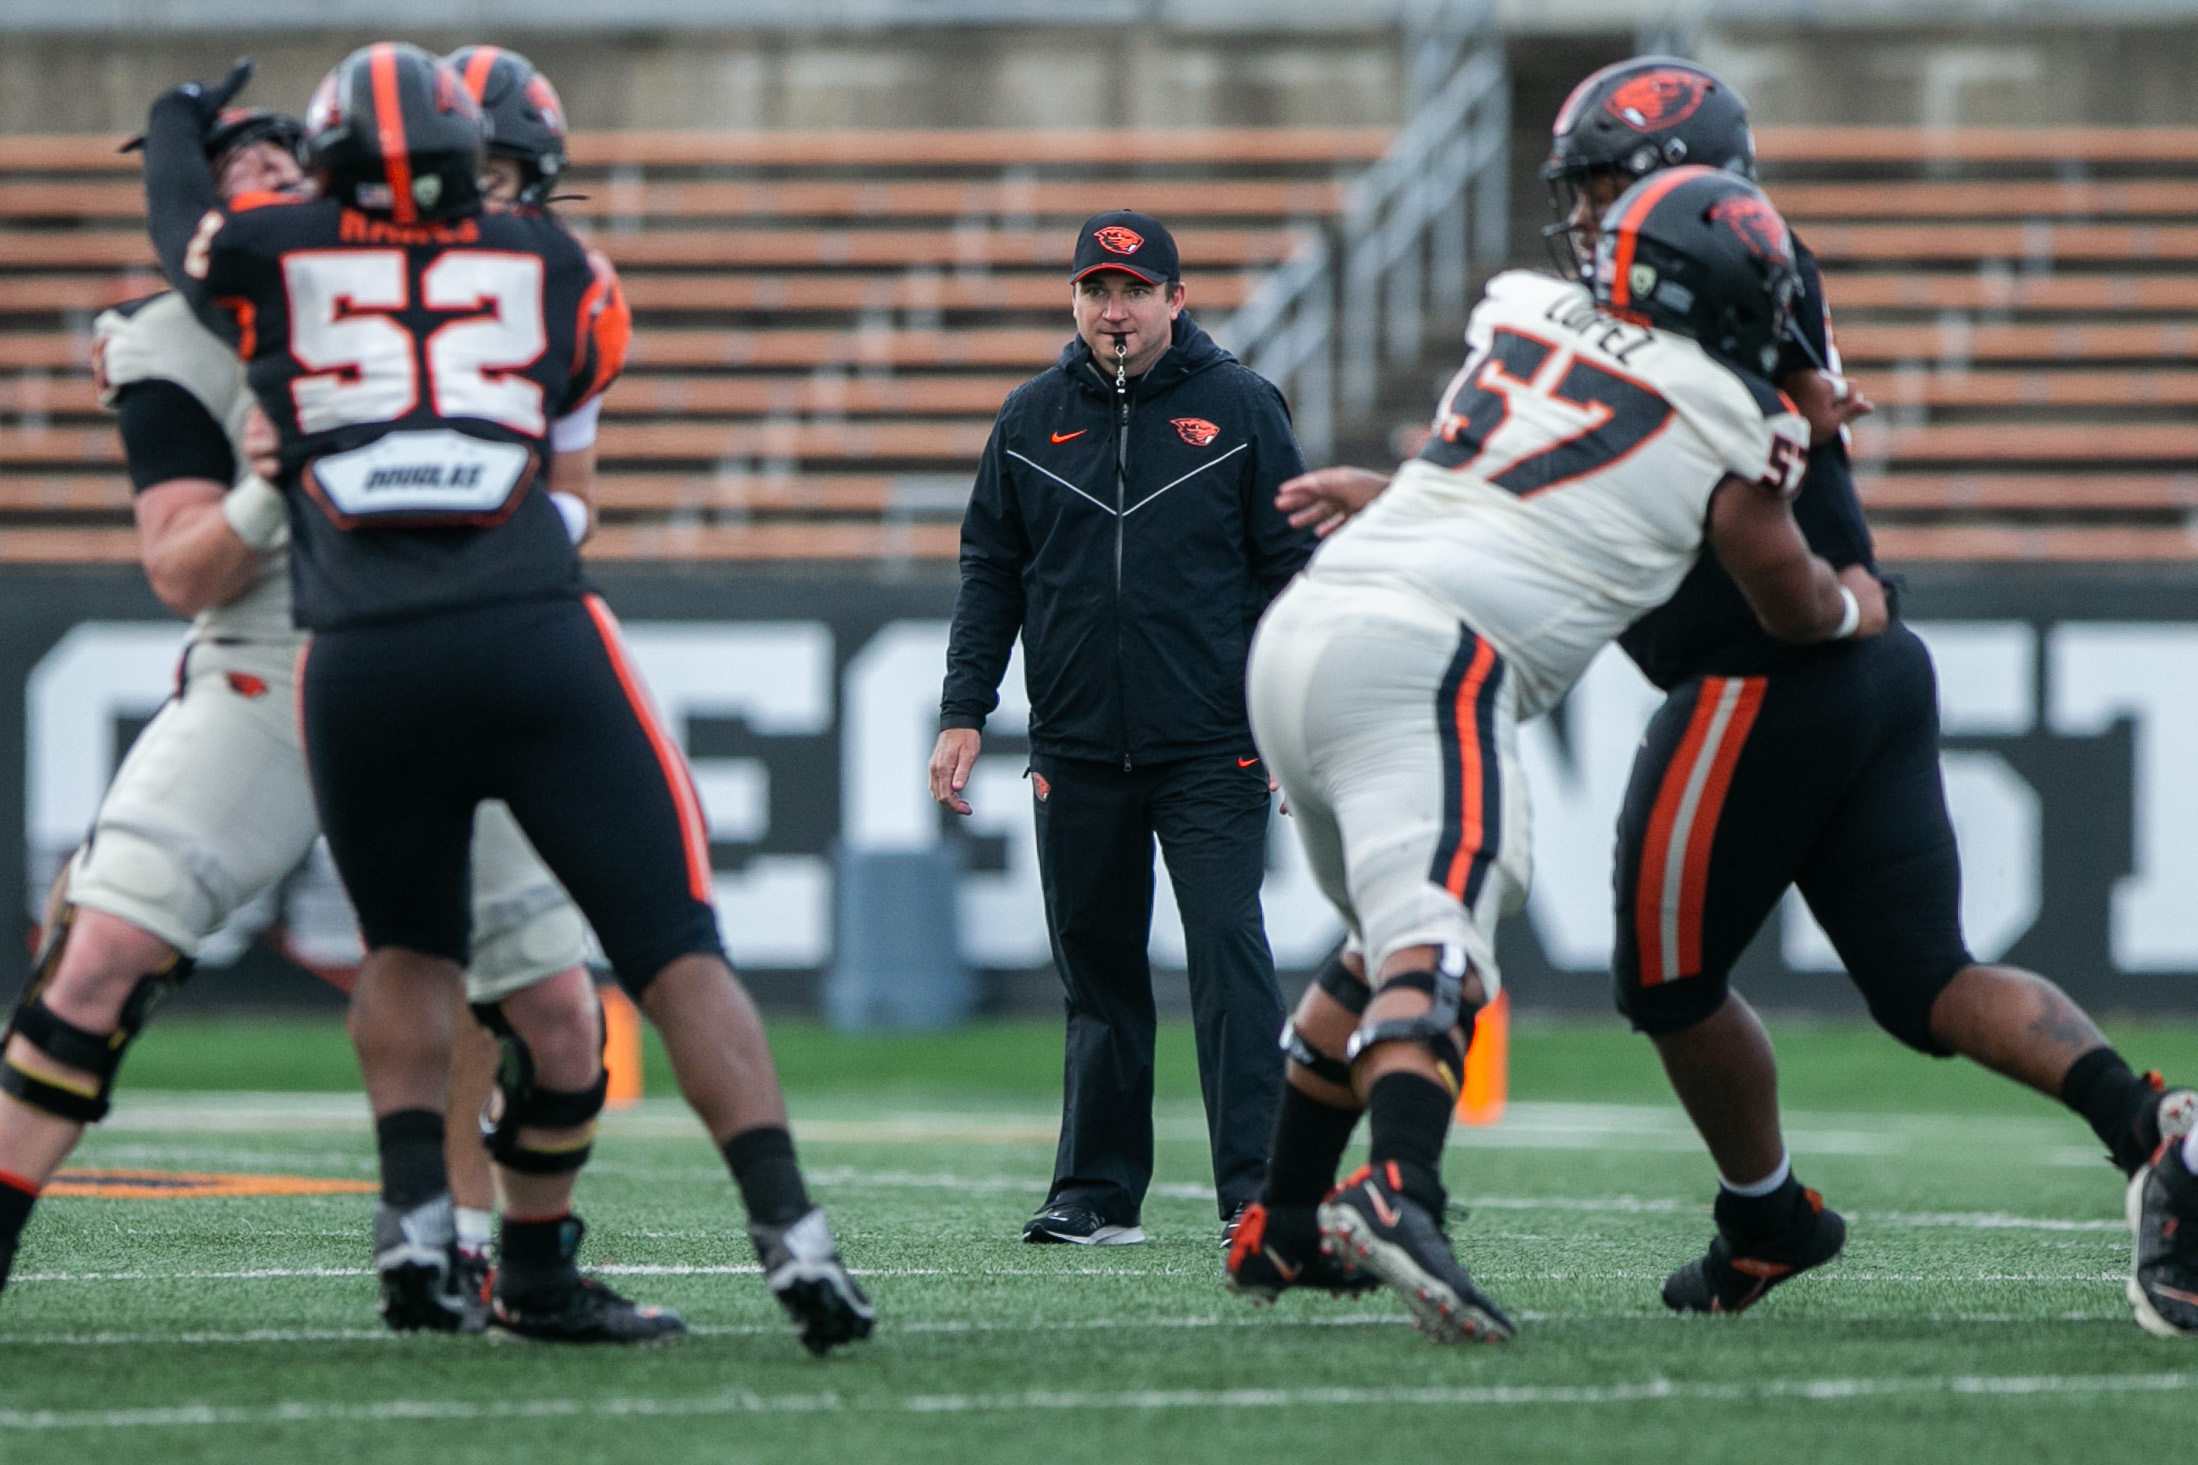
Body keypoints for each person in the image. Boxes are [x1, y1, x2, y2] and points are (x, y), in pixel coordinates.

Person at [132, 48, 872, 1352]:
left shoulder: (281, 257)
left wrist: (174, 125)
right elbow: (555, 445)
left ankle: (420, 1226)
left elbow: (193, 239)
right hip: (531, 625)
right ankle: (792, 1232)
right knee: (675, 944)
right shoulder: (561, 269)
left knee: (410, 951)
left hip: (360, 647)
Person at [1540, 56, 2197, 1331]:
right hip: (1862, 666)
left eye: (1610, 185)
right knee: (1928, 982)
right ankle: (2151, 1129)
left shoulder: (1690, 303)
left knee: (1665, 981)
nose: (1586, 217)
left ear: (1686, 191)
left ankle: (1764, 1215)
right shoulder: (1746, 282)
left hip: (1760, 666)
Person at [1230, 165, 1881, 1342]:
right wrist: (1854, 608)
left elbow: (1505, 474)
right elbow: (1788, 598)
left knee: (1385, 938)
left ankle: (1279, 1219)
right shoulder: (1732, 422)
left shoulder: (1515, 309)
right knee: (1443, 936)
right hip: (1430, 658)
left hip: (1308, 627)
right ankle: (1398, 1187)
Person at [0, 100, 597, 1336]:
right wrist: (270, 487)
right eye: (240, 164)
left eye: (290, 158)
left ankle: (504, 1265)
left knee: (554, 1015)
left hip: (433, 656)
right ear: (204, 212)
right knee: (101, 954)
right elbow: (179, 572)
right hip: (268, 674)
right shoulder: (170, 339)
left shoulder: (417, 284)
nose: (273, 174)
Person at [931, 210, 1315, 1244]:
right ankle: (1095, 1193)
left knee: (1228, 955)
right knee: (1096, 968)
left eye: (1135, 290)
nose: (1115, 309)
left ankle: (1261, 1189)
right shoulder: (1027, 417)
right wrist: (964, 708)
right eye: (1096, 290)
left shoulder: (1238, 405)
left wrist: (1290, 714)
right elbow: (989, 573)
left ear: (1174, 300)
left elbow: (1290, 571)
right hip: (1074, 746)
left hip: (1212, 745)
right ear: (1073, 301)